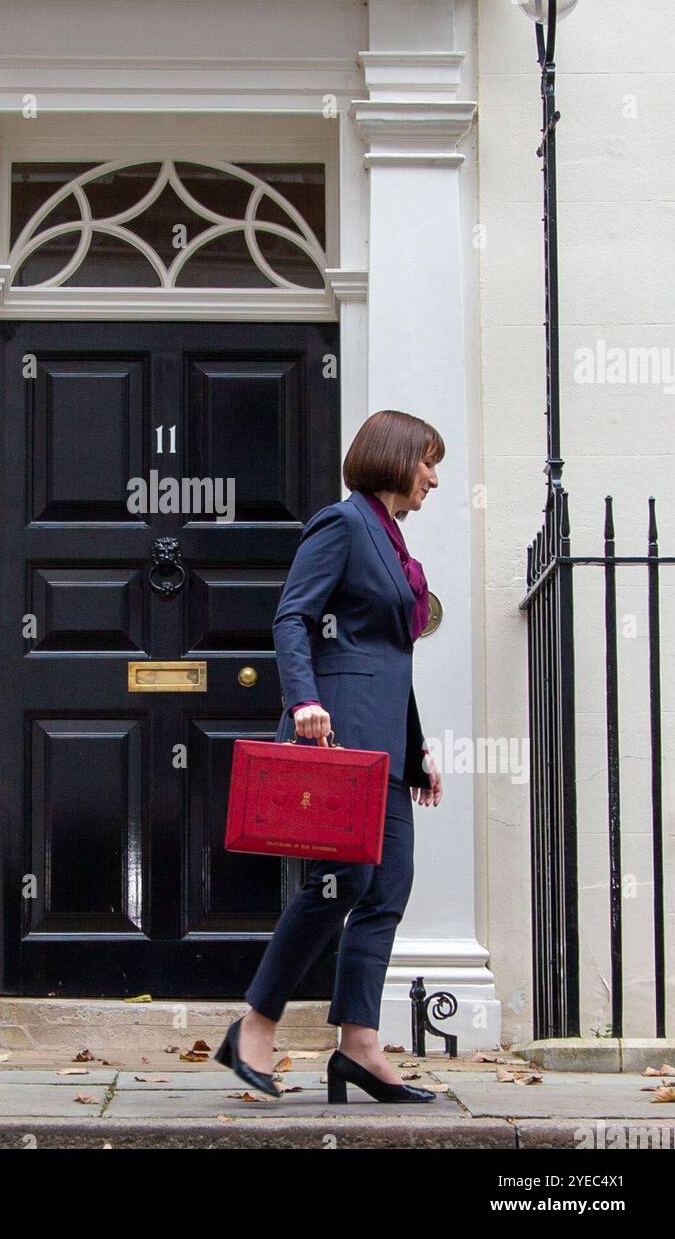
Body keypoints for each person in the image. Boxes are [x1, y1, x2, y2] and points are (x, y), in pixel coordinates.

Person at [214, 409, 445, 1104]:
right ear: (394, 458)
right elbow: (291, 615)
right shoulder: (342, 524)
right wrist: (304, 701)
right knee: (340, 880)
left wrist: (418, 745)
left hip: (387, 743)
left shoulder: (392, 539)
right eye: (427, 461)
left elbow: (388, 657)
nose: (434, 477)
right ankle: (254, 1024)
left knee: (387, 888)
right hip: (337, 731)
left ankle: (358, 1046)